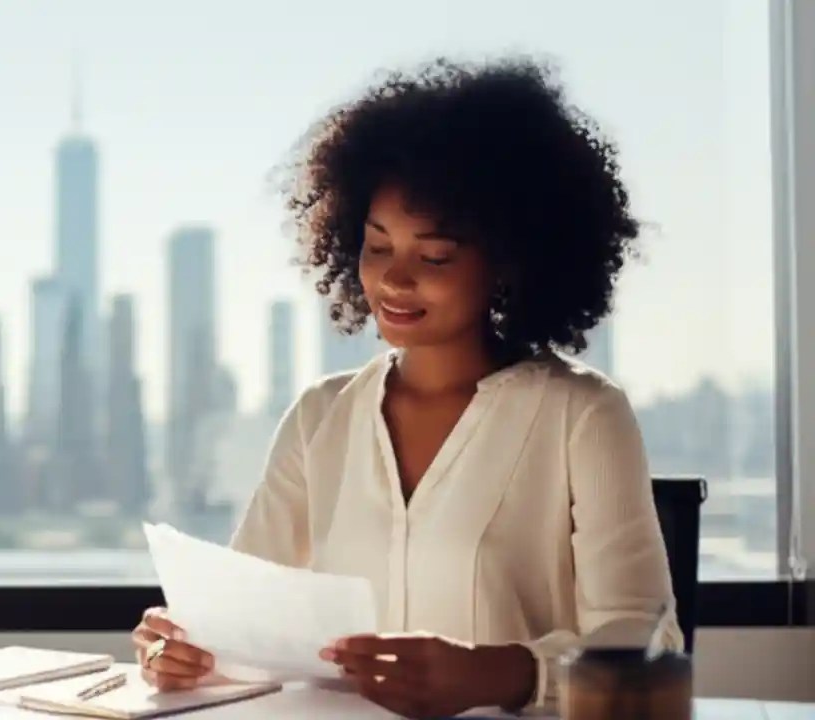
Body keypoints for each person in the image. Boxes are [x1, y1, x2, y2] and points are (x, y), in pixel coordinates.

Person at [131, 56, 682, 718]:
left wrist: (501, 675)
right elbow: (241, 623)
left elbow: (645, 641)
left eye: (435, 256)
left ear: (508, 258)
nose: (395, 280)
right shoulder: (320, 417)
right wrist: (186, 648)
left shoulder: (582, 415)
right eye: (376, 246)